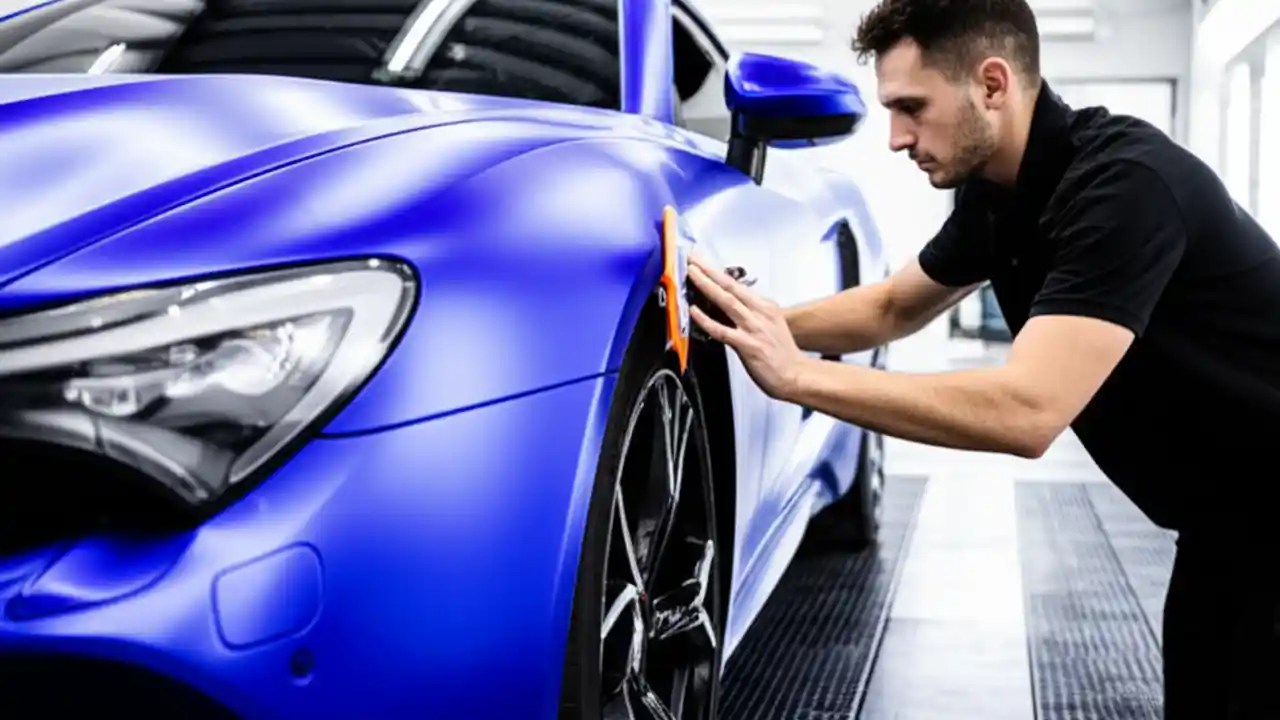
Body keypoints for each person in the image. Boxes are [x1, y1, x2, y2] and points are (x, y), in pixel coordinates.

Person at [685, 0, 1280, 717]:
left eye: (912, 107)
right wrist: (745, 322)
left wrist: (801, 376)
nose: (897, 138)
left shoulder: (1125, 188)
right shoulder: (999, 191)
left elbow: (1027, 411)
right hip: (1228, 524)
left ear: (992, 85)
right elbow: (892, 307)